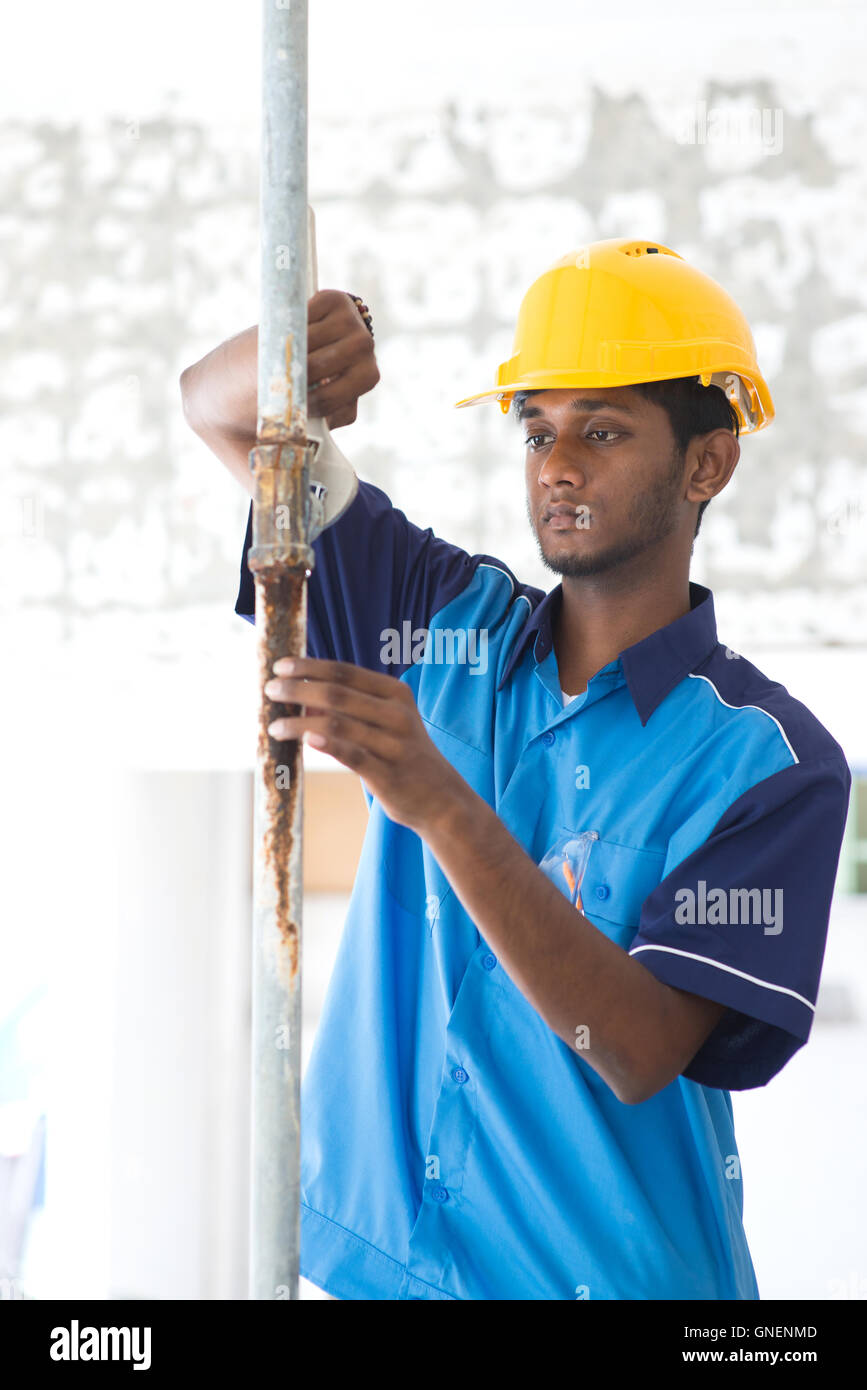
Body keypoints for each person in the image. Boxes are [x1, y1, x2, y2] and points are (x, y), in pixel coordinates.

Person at [180, 240, 851, 1301]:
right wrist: (292, 357)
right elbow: (217, 410)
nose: (558, 465)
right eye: (537, 429)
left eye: (604, 430)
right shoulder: (442, 626)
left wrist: (438, 801)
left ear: (707, 464)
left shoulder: (771, 763)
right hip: (381, 1277)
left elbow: (634, 1047)